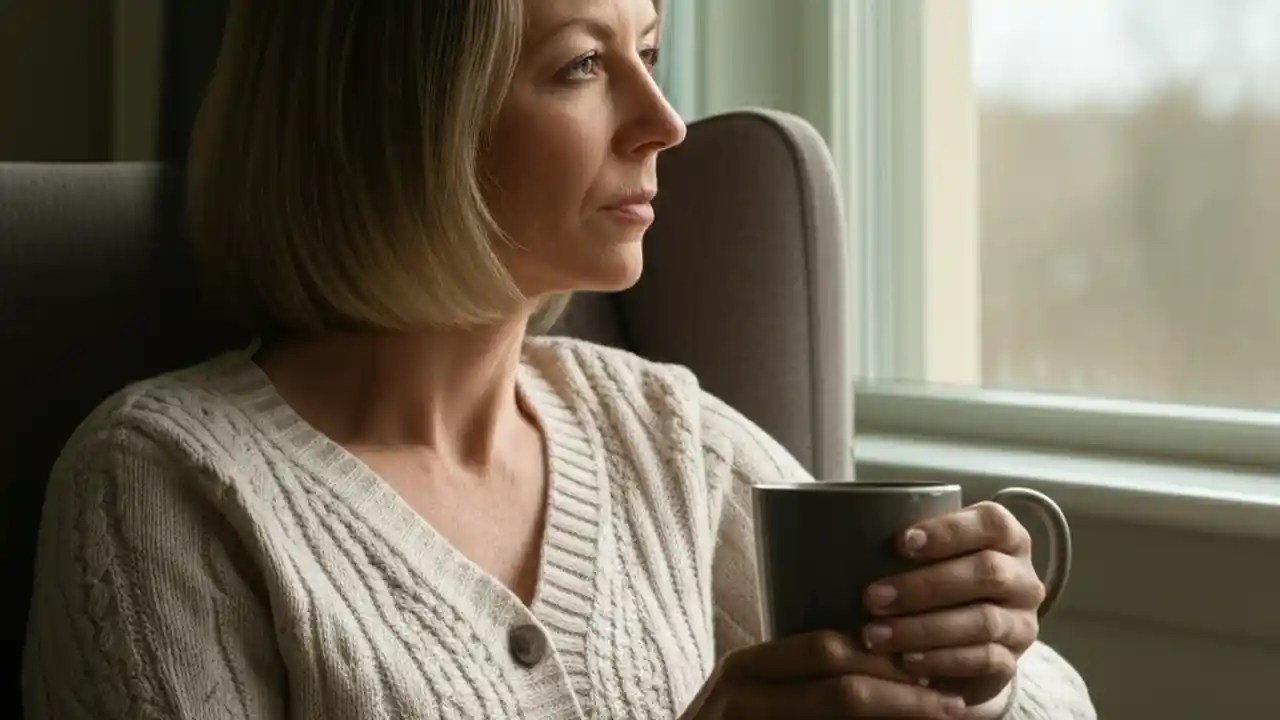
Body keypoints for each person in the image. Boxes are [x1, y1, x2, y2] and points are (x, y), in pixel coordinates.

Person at [22, 0, 1096, 718]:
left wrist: (975, 661)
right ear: (400, 121)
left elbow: (1061, 705)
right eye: (582, 65)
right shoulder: (167, 483)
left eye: (650, 53)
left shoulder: (660, 436)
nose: (663, 122)